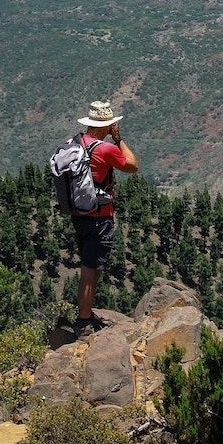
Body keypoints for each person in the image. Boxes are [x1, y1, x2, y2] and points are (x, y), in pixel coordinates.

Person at [70, 99, 138, 338]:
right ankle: (84, 323)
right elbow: (132, 165)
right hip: (99, 217)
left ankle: (85, 316)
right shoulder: (105, 148)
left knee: (91, 267)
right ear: (106, 126)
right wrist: (118, 139)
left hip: (80, 214)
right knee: (90, 271)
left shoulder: (76, 143)